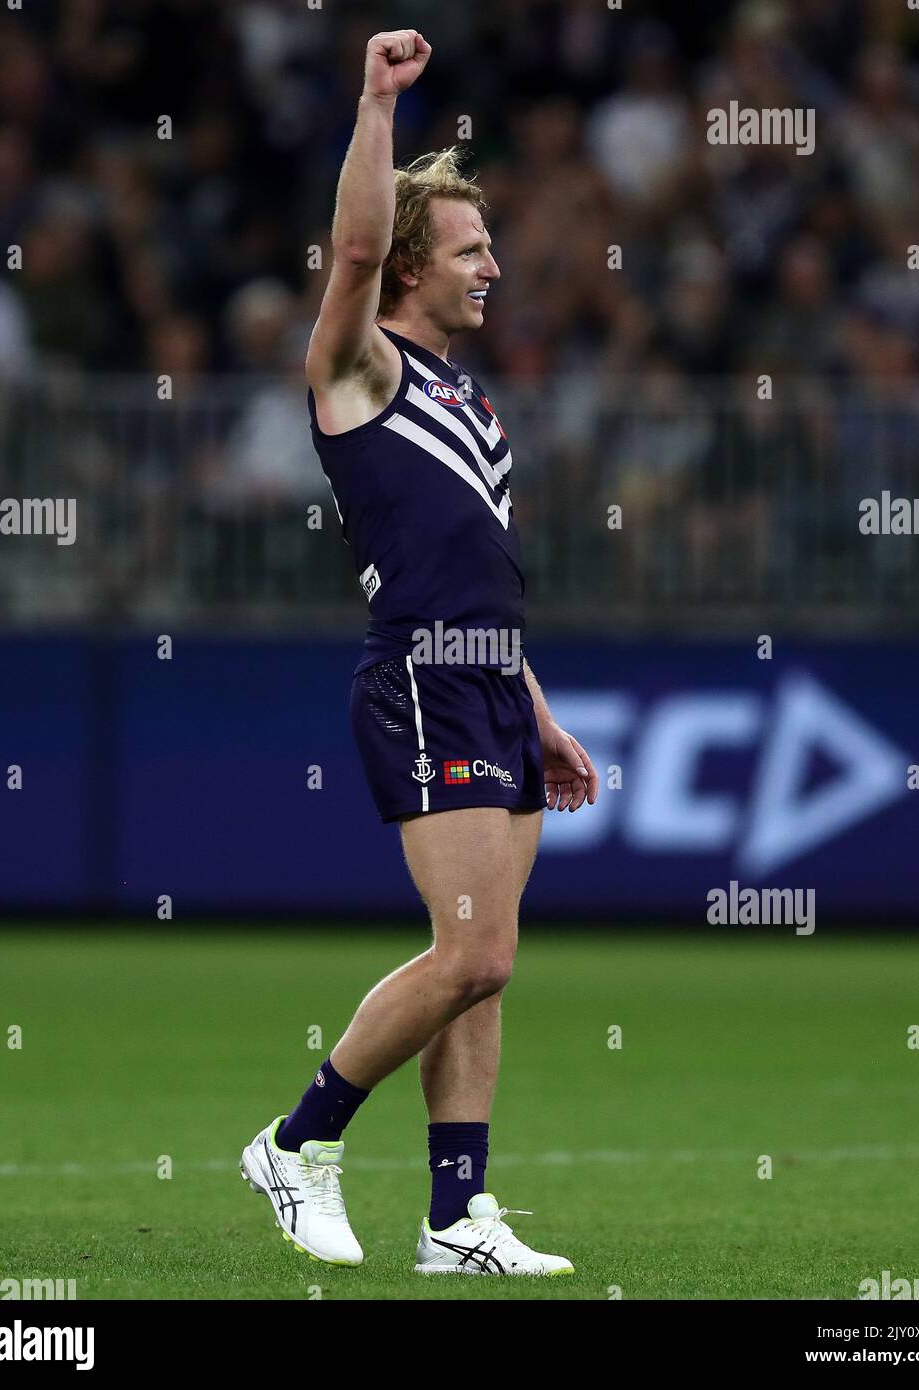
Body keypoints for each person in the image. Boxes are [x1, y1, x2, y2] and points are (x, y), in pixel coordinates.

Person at [240, 29, 598, 1276]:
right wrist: (376, 104)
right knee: (473, 950)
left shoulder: (472, 401)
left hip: (491, 689)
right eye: (470, 247)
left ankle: (456, 1221)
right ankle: (297, 1143)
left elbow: (483, 576)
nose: (495, 264)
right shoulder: (360, 370)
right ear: (406, 267)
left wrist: (538, 707)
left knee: (484, 974)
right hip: (418, 683)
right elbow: (347, 245)